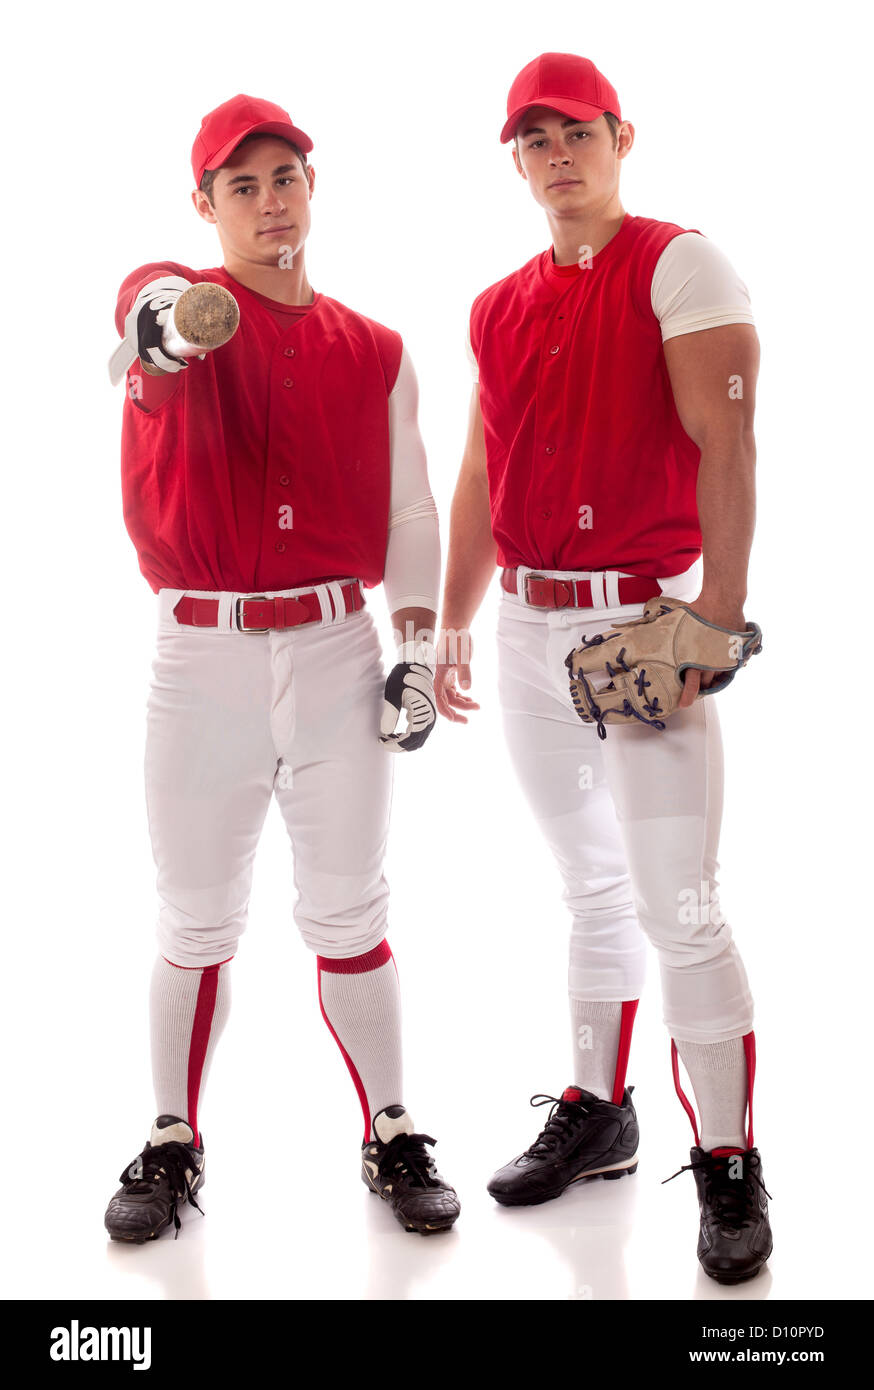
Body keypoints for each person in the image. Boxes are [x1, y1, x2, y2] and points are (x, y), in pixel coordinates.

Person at [436, 53, 771, 1283]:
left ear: (620, 136)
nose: (555, 154)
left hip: (639, 622)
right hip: (527, 625)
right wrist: (443, 626)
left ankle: (729, 1163)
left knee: (679, 904)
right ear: (514, 160)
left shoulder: (679, 260)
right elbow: (482, 473)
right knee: (590, 890)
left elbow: (724, 434)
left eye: (573, 130)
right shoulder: (496, 302)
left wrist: (714, 619)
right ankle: (601, 1112)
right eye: (531, 139)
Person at [103, 93, 460, 1242]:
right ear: (205, 204)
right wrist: (169, 326)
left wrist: (416, 642)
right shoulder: (180, 295)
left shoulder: (377, 347)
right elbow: (149, 321)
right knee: (196, 915)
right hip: (198, 652)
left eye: (285, 178)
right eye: (240, 185)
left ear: (313, 188)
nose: (267, 201)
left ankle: (394, 1127)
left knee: (350, 905)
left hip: (333, 646)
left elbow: (410, 499)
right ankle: (170, 1137)